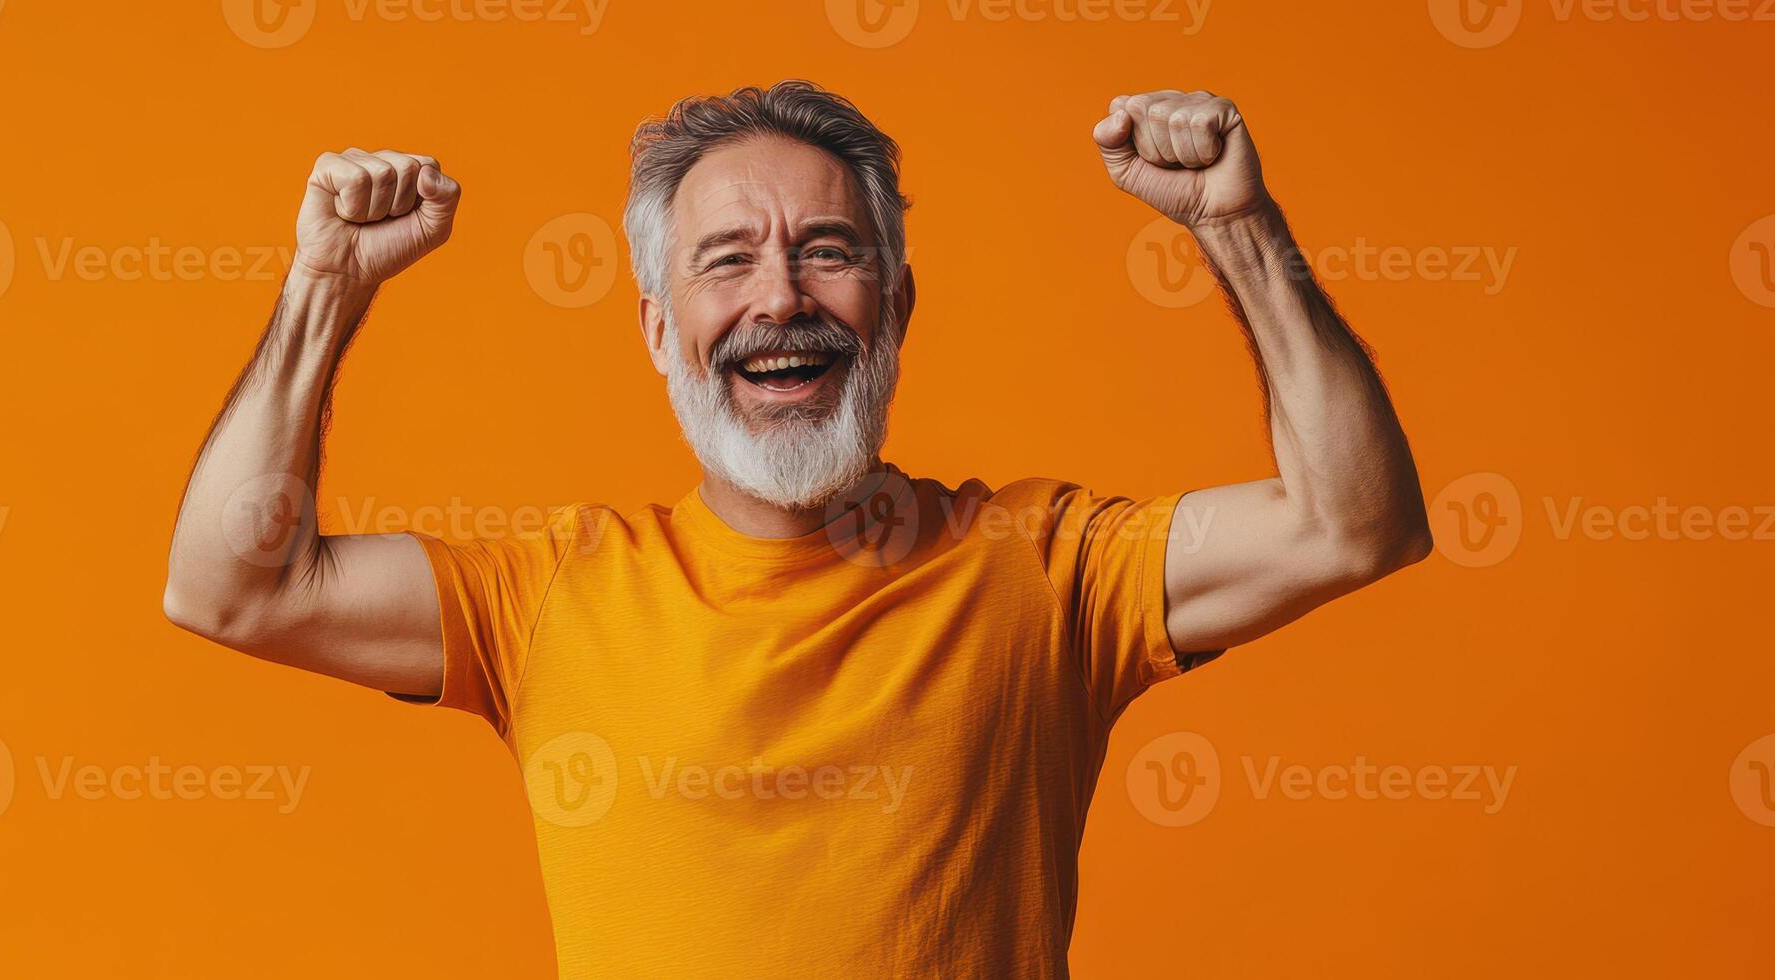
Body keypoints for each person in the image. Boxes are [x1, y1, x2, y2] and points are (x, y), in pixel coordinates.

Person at [164, 80, 1431, 978]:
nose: (780, 296)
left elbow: (1349, 522)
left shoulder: (1045, 569)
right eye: (726, 260)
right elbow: (233, 585)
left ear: (896, 302)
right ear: (657, 327)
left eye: (828, 251)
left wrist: (1238, 230)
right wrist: (324, 287)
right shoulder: (550, 592)